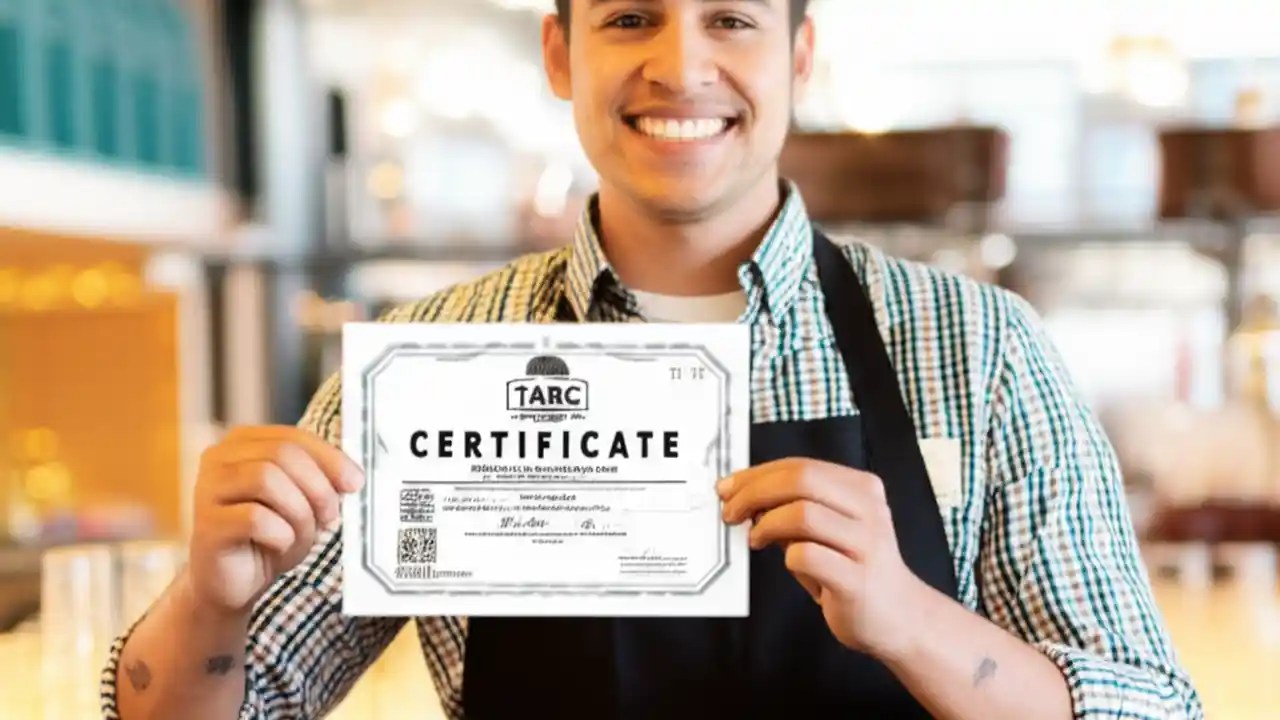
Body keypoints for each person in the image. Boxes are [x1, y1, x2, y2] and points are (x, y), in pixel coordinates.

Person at [102, 0, 1204, 718]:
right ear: (558, 53)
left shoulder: (976, 349)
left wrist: (913, 621)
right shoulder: (424, 365)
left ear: (797, 56)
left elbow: (1148, 707)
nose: (680, 68)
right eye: (631, 18)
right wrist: (211, 597)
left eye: (729, 20)